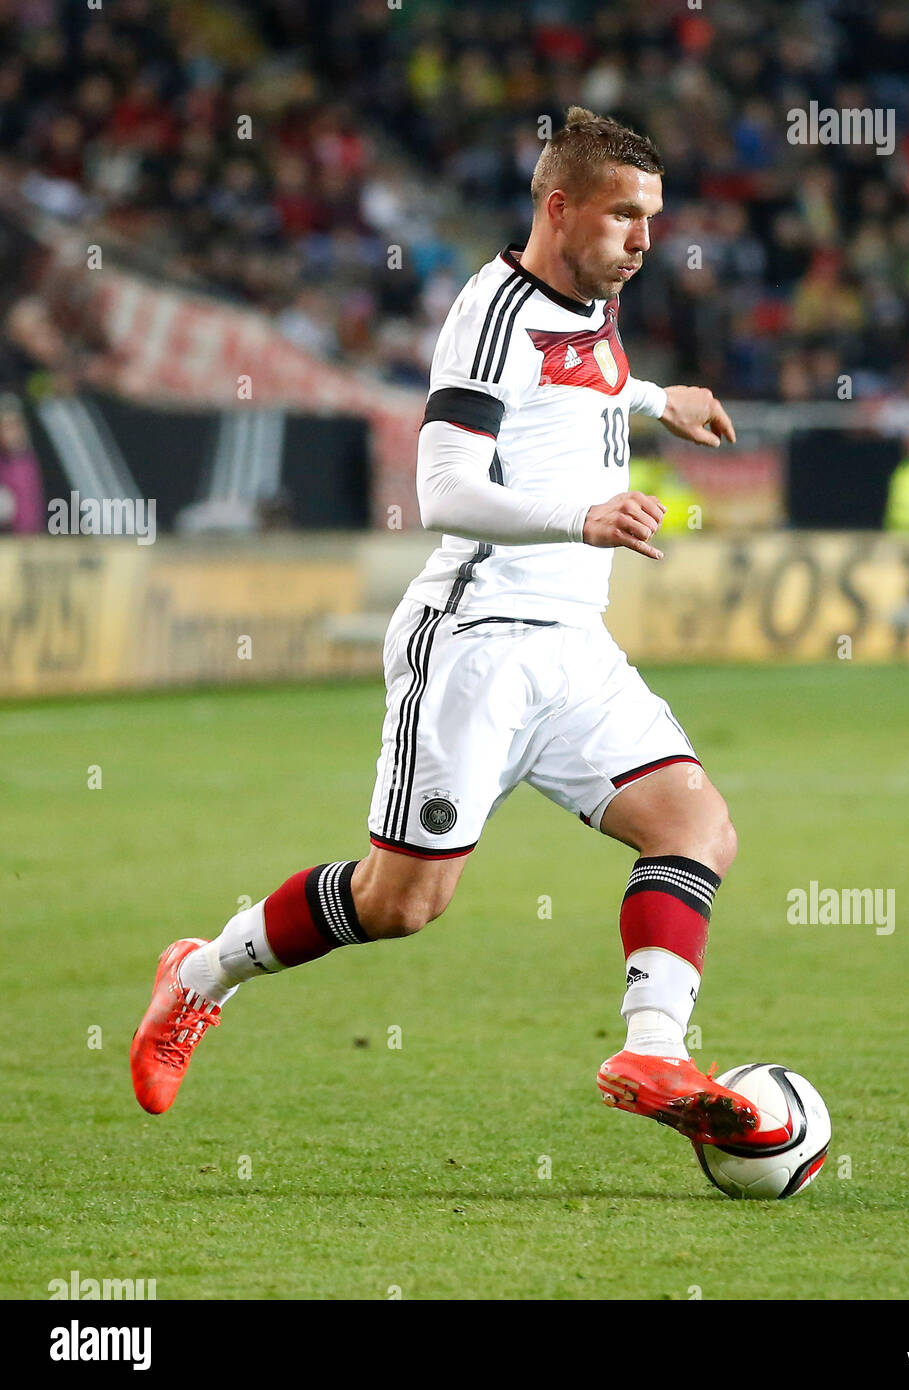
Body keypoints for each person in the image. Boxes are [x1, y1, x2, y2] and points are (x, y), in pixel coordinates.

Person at [131, 108, 761, 1147]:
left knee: (696, 827)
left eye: (653, 216)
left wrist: (655, 397)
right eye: (624, 216)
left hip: (573, 644)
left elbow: (577, 380)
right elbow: (444, 484)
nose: (646, 240)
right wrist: (583, 516)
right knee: (401, 904)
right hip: (476, 640)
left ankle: (652, 1048)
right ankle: (199, 973)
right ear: (559, 209)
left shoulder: (591, 291)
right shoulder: (492, 312)